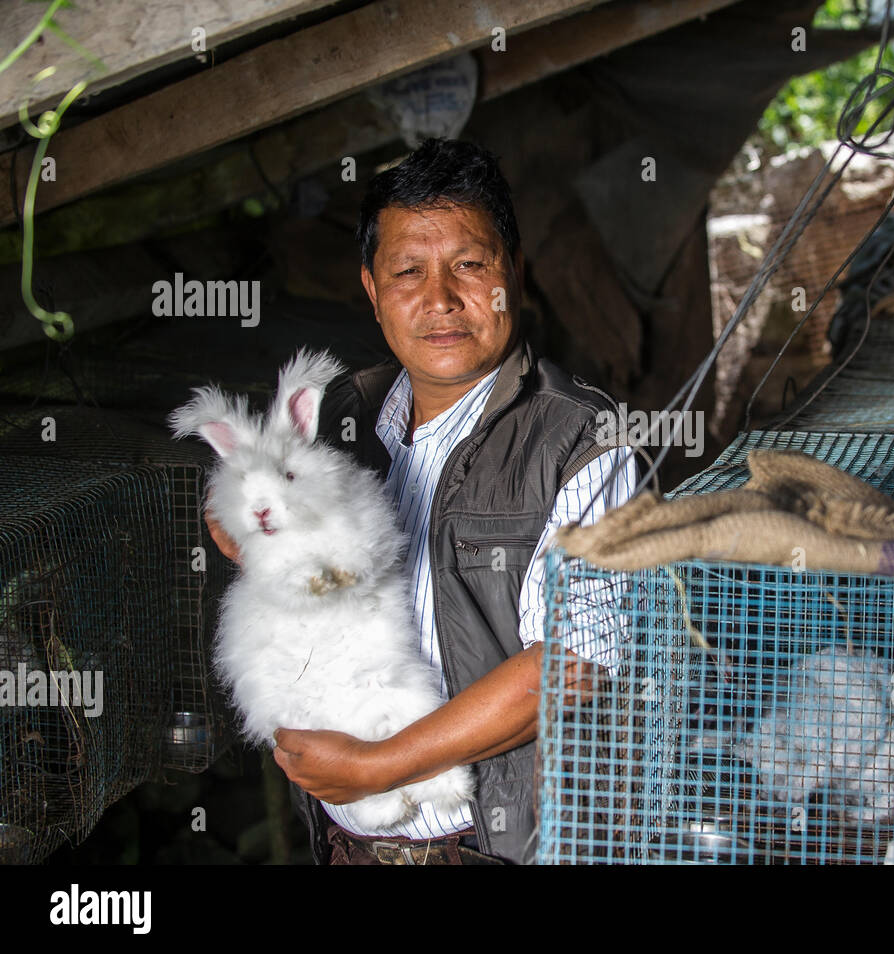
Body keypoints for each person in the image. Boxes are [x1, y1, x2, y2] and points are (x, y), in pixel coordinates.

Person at [205, 138, 637, 864]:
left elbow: (574, 663)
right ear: (373, 291)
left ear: (514, 277)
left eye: (470, 265)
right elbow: (237, 492)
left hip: (496, 846)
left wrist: (380, 765)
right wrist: (232, 516)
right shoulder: (340, 415)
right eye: (408, 271)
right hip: (347, 841)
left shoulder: (584, 442)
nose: (440, 300)